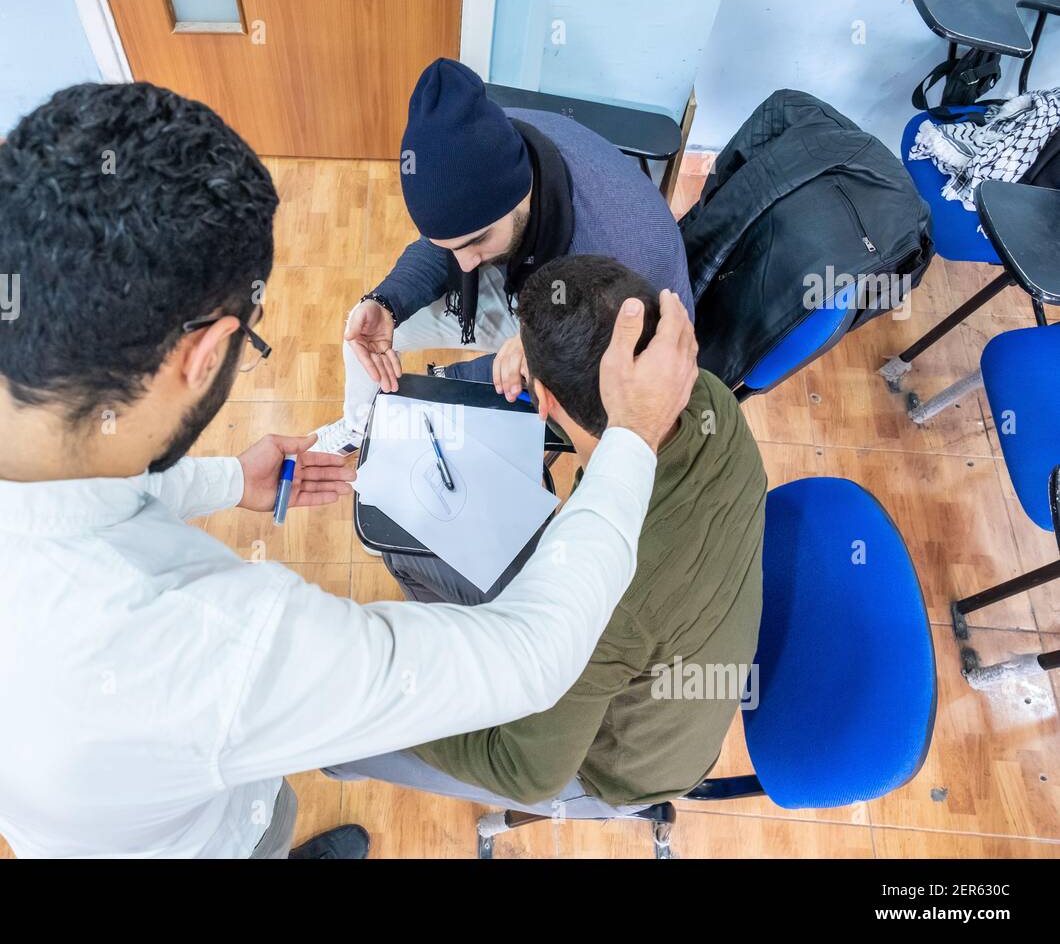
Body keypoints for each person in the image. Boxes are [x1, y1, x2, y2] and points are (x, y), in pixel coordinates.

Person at [0, 84, 699, 858]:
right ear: (208, 351)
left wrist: (227, 479)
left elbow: (61, 490)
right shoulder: (220, 655)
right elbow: (529, 659)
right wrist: (630, 440)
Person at [326, 255, 766, 817]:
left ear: (546, 401)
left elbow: (526, 771)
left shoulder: (600, 600)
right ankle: (475, 653)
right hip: (676, 651)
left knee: (346, 725)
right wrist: (540, 360)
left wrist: (381, 701)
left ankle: (352, 737)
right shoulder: (709, 400)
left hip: (612, 770)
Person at [311, 57, 693, 456]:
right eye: (452, 246)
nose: (464, 264)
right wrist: (386, 301)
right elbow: (448, 245)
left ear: (520, 196)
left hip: (613, 341)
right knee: (365, 325)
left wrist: (443, 384)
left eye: (477, 239)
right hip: (541, 282)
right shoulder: (492, 141)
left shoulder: (617, 258)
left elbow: (594, 382)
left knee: (461, 429)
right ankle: (360, 427)